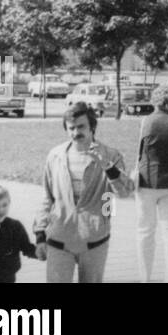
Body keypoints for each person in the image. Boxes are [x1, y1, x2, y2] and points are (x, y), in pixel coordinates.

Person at [34, 101, 134, 283]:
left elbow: (125, 192)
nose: (76, 132)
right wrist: (40, 234)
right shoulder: (55, 156)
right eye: (71, 128)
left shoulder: (111, 155)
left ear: (92, 127)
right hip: (59, 238)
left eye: (81, 127)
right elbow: (47, 197)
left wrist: (107, 166)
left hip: (94, 240)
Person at [135, 84, 168, 282]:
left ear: (154, 101)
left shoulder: (146, 122)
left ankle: (145, 277)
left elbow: (139, 153)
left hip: (147, 180)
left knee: (145, 230)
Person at [0, 184, 38, 285]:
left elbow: (27, 248)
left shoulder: (15, 227)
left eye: (4, 205)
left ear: (9, 204)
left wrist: (41, 252)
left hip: (8, 278)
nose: (1, 210)